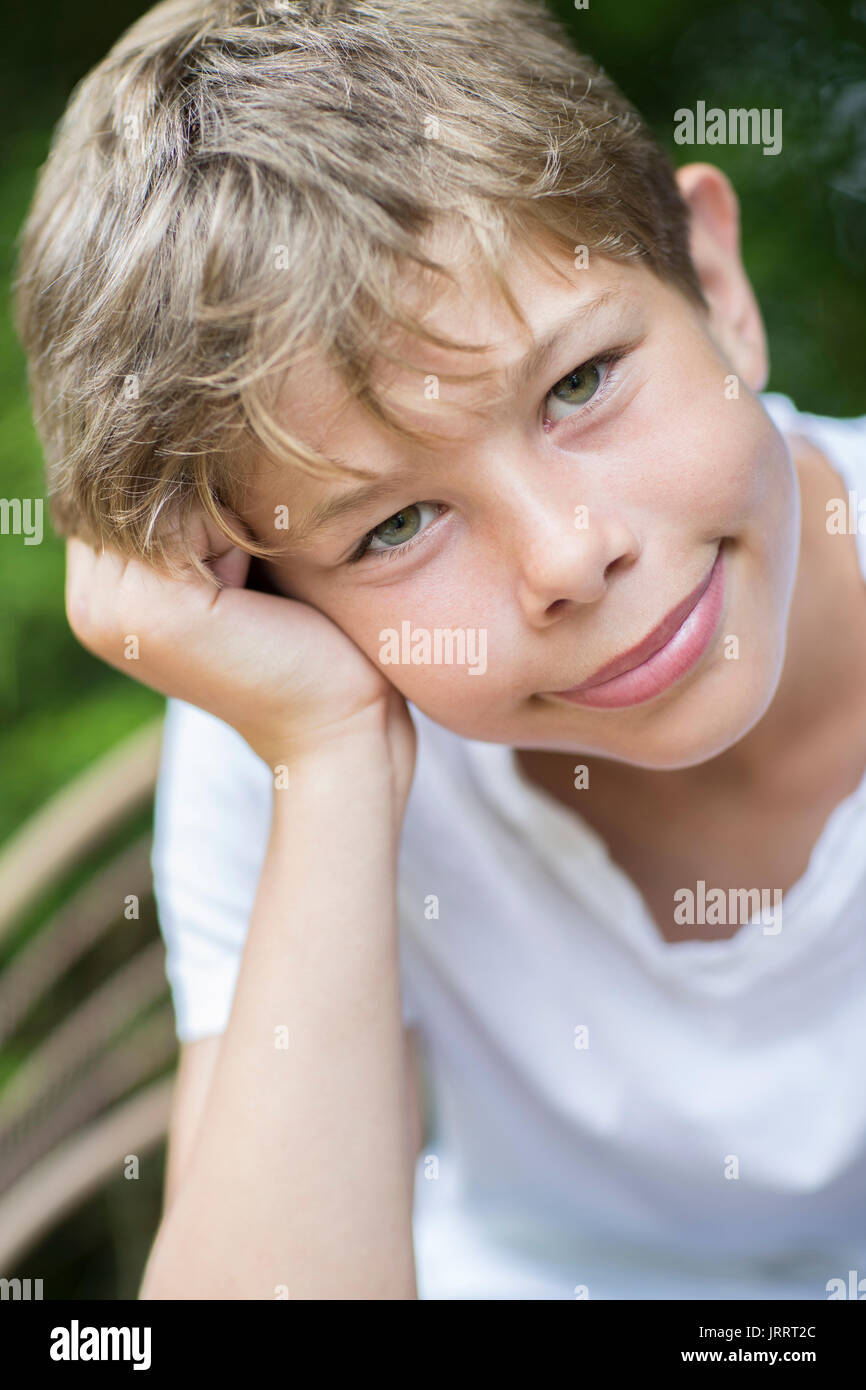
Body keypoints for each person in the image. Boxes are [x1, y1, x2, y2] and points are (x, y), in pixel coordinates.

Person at [13, 0, 866, 1300]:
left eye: (579, 384)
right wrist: (330, 757)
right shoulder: (287, 743)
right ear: (277, 593)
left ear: (717, 288)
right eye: (396, 525)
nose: (566, 559)